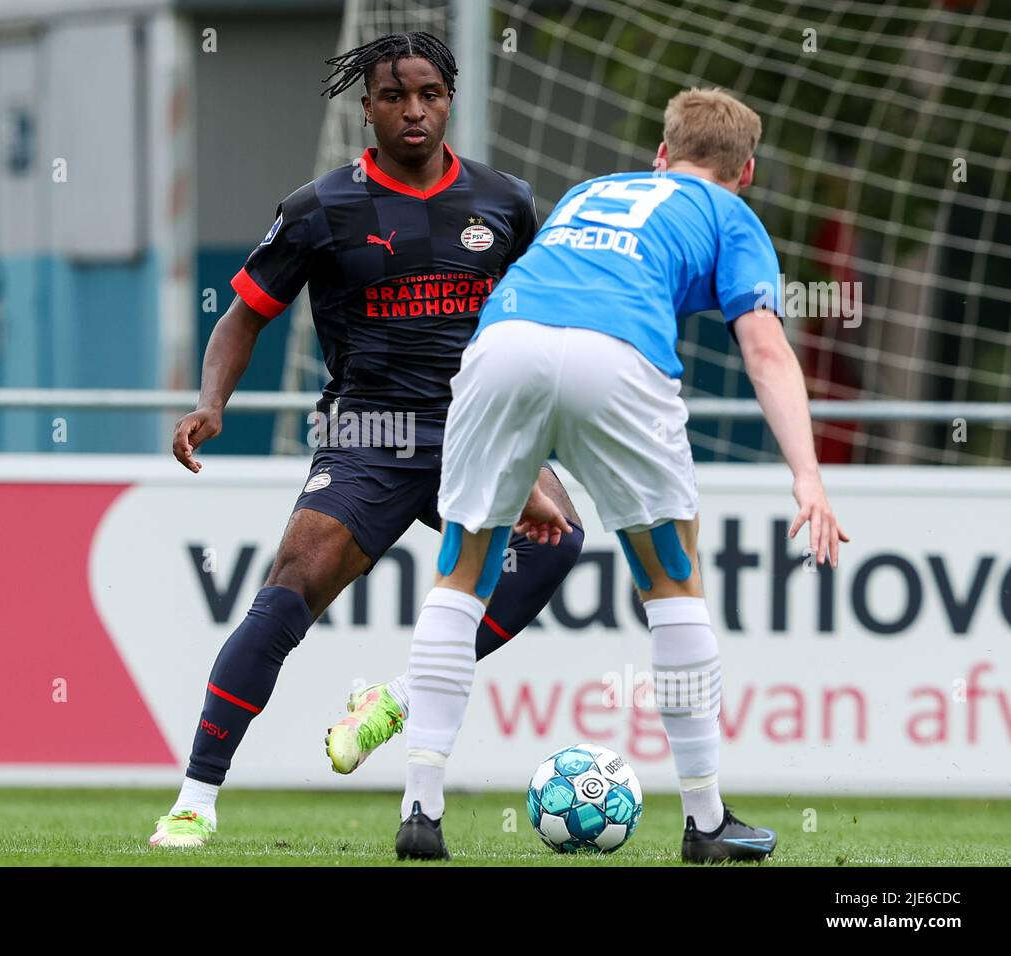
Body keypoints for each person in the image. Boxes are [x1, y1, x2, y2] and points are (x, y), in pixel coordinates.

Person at [391, 88, 850, 863]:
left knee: (460, 575)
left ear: (662, 154)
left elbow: (552, 323)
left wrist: (525, 464)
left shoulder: (588, 192)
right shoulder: (732, 214)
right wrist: (807, 475)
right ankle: (705, 823)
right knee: (672, 585)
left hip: (502, 343)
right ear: (747, 172)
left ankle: (419, 811)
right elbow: (766, 348)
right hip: (620, 356)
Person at [150, 32, 585, 849]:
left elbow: (543, 322)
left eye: (428, 93)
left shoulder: (507, 202)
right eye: (394, 96)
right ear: (367, 109)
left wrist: (541, 438)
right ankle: (195, 799)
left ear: (449, 99)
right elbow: (244, 314)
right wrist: (212, 403)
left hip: (478, 431)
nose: (413, 110)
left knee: (558, 544)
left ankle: (395, 701)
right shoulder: (320, 208)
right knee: (288, 590)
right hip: (368, 436)